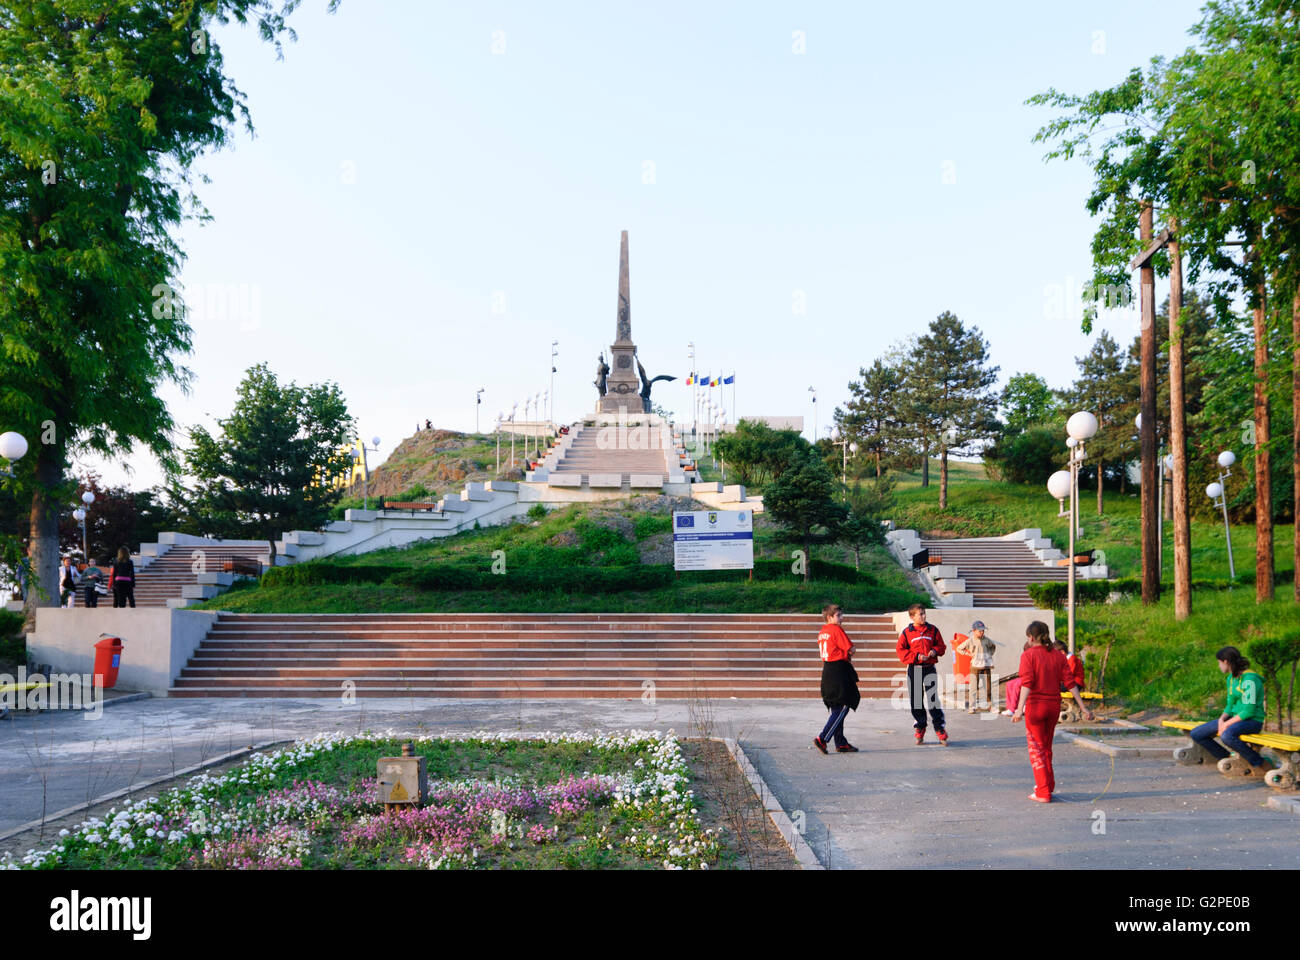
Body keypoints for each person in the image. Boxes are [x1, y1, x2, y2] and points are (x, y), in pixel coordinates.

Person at [1012, 621, 1094, 802]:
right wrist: (1083, 707)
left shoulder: (1028, 655)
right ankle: (1048, 784)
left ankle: (1042, 792)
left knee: (1036, 748)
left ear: (1030, 637)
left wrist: (1019, 710)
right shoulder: (1058, 656)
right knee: (1046, 747)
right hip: (1053, 707)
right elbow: (1070, 683)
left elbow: (1027, 683)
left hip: (1036, 707)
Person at [1189, 646, 1270, 774]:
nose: (1219, 666)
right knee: (1197, 733)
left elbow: (1249, 711)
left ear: (1226, 661)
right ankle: (1229, 759)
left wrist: (1226, 724)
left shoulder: (1250, 680)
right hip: (1234, 719)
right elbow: (1230, 704)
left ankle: (1260, 763)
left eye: (1219, 662)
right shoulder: (1231, 679)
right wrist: (1222, 720)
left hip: (1252, 721)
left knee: (1227, 735)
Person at [897, 603, 948, 745]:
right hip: (915, 669)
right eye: (921, 614)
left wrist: (935, 651)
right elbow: (901, 652)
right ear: (912, 616)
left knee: (933, 699)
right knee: (916, 700)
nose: (924, 616)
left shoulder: (933, 630)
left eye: (924, 613)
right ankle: (920, 726)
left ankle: (939, 728)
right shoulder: (907, 632)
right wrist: (916, 657)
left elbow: (942, 646)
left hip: (929, 668)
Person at [814, 604, 861, 753]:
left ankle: (840, 742)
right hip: (838, 670)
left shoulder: (822, 632)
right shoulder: (836, 629)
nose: (842, 618)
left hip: (827, 669)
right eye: (838, 615)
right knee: (844, 705)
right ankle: (823, 738)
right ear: (829, 617)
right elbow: (851, 649)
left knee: (836, 706)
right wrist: (851, 651)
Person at [958, 620, 997, 713]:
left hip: (986, 666)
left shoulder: (987, 640)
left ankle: (990, 706)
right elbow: (959, 648)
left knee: (987, 687)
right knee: (974, 688)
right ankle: (972, 706)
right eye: (980, 631)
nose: (982, 632)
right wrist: (968, 654)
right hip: (975, 667)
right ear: (974, 631)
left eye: (983, 630)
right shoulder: (970, 641)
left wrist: (989, 654)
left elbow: (993, 647)